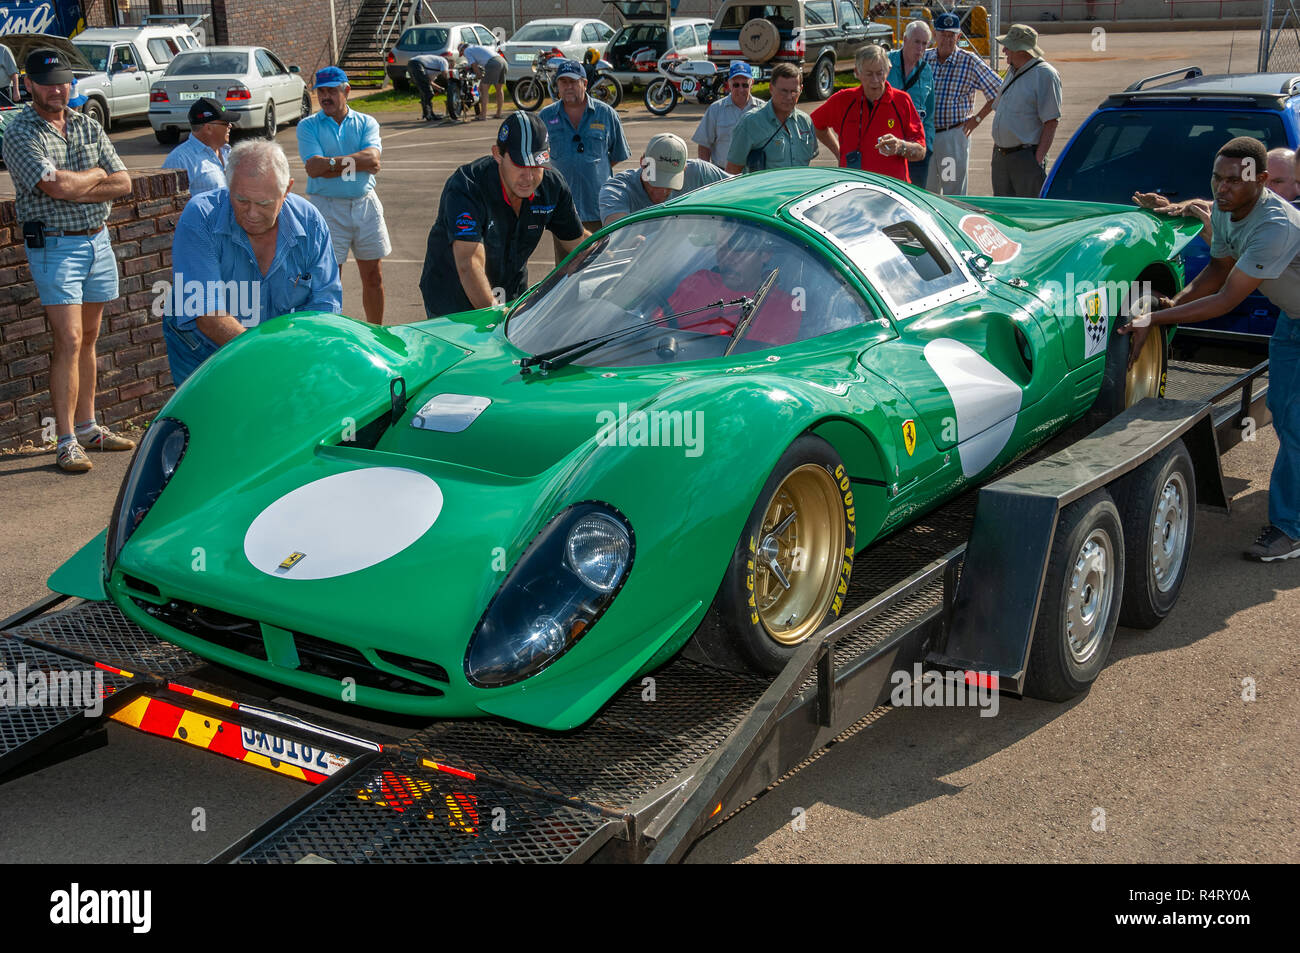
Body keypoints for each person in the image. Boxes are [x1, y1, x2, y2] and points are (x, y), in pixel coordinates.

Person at [1120, 137, 1300, 562]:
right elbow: (1217, 271)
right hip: (1292, 322)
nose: (1223, 188)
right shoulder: (1226, 208)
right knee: (1285, 411)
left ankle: (1289, 529)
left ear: (1263, 180)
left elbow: (1226, 301)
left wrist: (1155, 318)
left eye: (1235, 181)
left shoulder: (1275, 226)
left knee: (1295, 425)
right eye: (1218, 178)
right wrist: (1174, 305)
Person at [2, 48, 134, 473]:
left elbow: (125, 181)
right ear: (28, 85)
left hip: (97, 240)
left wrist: (82, 183)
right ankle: (65, 440)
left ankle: (89, 426)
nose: (57, 89)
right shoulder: (20, 132)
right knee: (70, 340)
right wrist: (95, 175)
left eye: (63, 81)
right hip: (54, 247)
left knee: (91, 337)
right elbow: (55, 187)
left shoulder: (86, 124)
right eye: (47, 82)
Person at [163, 140, 342, 386]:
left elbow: (325, 304)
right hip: (202, 348)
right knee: (213, 417)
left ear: (287, 190)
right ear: (228, 186)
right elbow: (207, 314)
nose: (252, 213)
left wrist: (299, 357)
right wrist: (267, 362)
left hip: (275, 351)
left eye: (264, 204)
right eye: (242, 200)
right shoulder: (200, 217)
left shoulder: (310, 223)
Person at [419, 112, 585, 319]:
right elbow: (469, 262)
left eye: (536, 165)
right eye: (519, 165)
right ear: (498, 154)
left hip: (510, 292)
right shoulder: (467, 186)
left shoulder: (553, 187)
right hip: (452, 300)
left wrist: (621, 246)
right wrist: (496, 317)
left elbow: (579, 244)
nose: (529, 177)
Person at [297, 66, 390, 326]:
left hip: (365, 205)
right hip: (327, 208)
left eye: (331, 91)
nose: (325, 97)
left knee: (373, 276)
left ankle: (376, 333)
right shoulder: (308, 126)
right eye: (321, 91)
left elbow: (373, 158)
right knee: (328, 279)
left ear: (346, 90)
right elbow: (314, 168)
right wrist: (357, 163)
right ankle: (330, 336)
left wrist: (331, 166)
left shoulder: (367, 122)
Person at [538, 58, 629, 255]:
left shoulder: (607, 114)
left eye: (573, 81)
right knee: (566, 272)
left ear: (585, 83)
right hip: (563, 211)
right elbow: (538, 158)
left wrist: (592, 170)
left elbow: (617, 154)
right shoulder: (545, 117)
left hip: (599, 208)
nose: (568, 87)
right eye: (563, 82)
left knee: (602, 265)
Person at [668, 224, 801, 347]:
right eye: (721, 248)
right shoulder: (698, 282)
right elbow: (655, 329)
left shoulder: (783, 307)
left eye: (739, 250)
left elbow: (767, 362)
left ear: (765, 255)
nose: (727, 257)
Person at [810, 44, 925, 181]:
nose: (875, 80)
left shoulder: (901, 101)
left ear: (888, 71)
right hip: (854, 185)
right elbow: (814, 124)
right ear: (857, 73)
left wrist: (901, 146)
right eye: (869, 74)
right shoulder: (843, 100)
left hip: (892, 189)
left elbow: (921, 151)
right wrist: (838, 150)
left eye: (879, 73)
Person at [924, 11, 1002, 195]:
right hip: (925, 136)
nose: (947, 39)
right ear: (935, 34)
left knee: (952, 190)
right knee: (927, 192)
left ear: (959, 36)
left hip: (952, 136)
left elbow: (999, 90)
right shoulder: (924, 59)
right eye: (943, 34)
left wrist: (977, 119)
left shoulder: (969, 61)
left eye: (952, 35)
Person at [990, 23, 1061, 198]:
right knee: (1002, 214)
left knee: (1027, 213)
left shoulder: (1045, 75)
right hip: (1001, 156)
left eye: (1009, 46)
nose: (1004, 50)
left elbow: (1051, 122)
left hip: (1025, 158)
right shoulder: (1013, 70)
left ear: (1021, 50)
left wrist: (1036, 161)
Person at [599, 133, 728, 226]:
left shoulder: (701, 173)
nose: (662, 192)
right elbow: (615, 228)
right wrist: (626, 236)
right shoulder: (617, 190)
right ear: (643, 163)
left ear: (684, 169)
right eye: (655, 182)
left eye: (669, 184)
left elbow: (743, 188)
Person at [726, 63, 818, 174]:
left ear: (801, 89)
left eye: (794, 92)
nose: (789, 97)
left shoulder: (805, 122)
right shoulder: (750, 123)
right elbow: (732, 172)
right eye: (783, 91)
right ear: (771, 88)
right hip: (763, 191)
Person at [888, 20, 937, 188]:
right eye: (917, 42)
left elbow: (929, 113)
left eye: (925, 44)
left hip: (915, 149)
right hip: (888, 145)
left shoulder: (926, 70)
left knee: (915, 197)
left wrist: (927, 145)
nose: (921, 48)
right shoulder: (886, 63)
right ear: (905, 39)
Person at [692, 61, 765, 169]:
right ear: (729, 84)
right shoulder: (715, 110)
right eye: (736, 85)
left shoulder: (763, 109)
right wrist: (706, 174)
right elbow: (704, 146)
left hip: (753, 176)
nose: (741, 89)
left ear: (752, 84)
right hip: (723, 174)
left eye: (745, 85)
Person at [161, 97, 233, 200]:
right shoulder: (179, 160)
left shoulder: (229, 153)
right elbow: (171, 204)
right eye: (225, 123)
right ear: (208, 128)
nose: (230, 125)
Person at [457, 41, 508, 121]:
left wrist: (479, 76)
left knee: (483, 89)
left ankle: (483, 115)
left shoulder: (467, 51)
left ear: (462, 49)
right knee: (499, 89)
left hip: (493, 63)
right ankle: (499, 113)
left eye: (462, 53)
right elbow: (477, 61)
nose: (463, 55)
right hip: (502, 61)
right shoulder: (475, 47)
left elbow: (474, 65)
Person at [408, 53, 451, 122]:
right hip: (417, 64)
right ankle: (429, 115)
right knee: (428, 93)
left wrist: (439, 88)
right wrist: (451, 84)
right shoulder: (444, 60)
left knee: (424, 92)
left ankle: (427, 114)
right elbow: (445, 74)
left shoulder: (433, 68)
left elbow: (429, 82)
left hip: (411, 63)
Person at [0, 40, 20, 105]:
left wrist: (16, 91)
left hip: (3, 92)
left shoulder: (3, 49)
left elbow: (14, 73)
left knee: (5, 114)